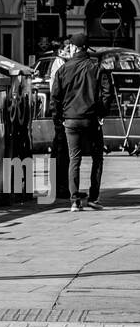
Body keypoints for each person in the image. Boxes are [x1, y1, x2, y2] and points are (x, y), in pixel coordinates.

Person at [50, 35, 113, 212]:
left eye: (71, 46)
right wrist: (101, 113)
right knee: (97, 157)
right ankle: (93, 197)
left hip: (70, 120)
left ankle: (74, 201)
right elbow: (107, 93)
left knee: (74, 159)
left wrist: (58, 119)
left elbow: (55, 97)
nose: (68, 48)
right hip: (91, 119)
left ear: (76, 48)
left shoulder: (63, 70)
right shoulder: (96, 67)